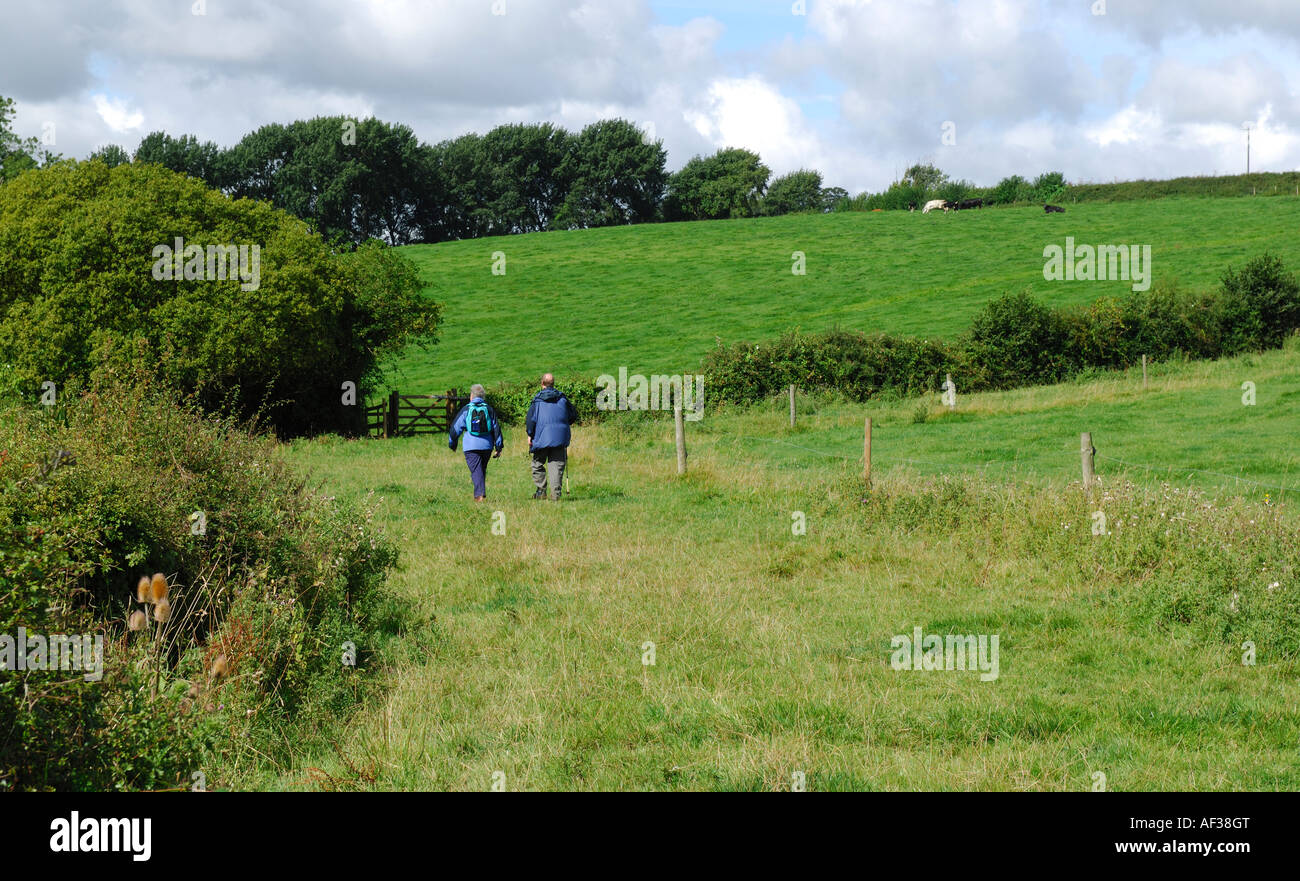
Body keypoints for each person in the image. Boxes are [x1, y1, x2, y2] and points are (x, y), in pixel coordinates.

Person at [525, 373, 578, 501]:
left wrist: (530, 435)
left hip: (541, 437)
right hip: (560, 438)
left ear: (542, 384)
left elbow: (530, 421)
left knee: (537, 464)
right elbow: (573, 415)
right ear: (553, 384)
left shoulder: (537, 401)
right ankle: (555, 496)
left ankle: (541, 491)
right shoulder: (563, 399)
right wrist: (563, 425)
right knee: (557, 466)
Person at [448, 384, 503, 502]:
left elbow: (455, 428)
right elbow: (496, 429)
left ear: (471, 396)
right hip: (487, 446)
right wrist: (498, 446)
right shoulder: (489, 409)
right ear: (483, 397)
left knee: (476, 470)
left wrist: (452, 443)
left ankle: (479, 496)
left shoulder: (467, 409)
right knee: (481, 469)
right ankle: (480, 493)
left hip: (470, 446)